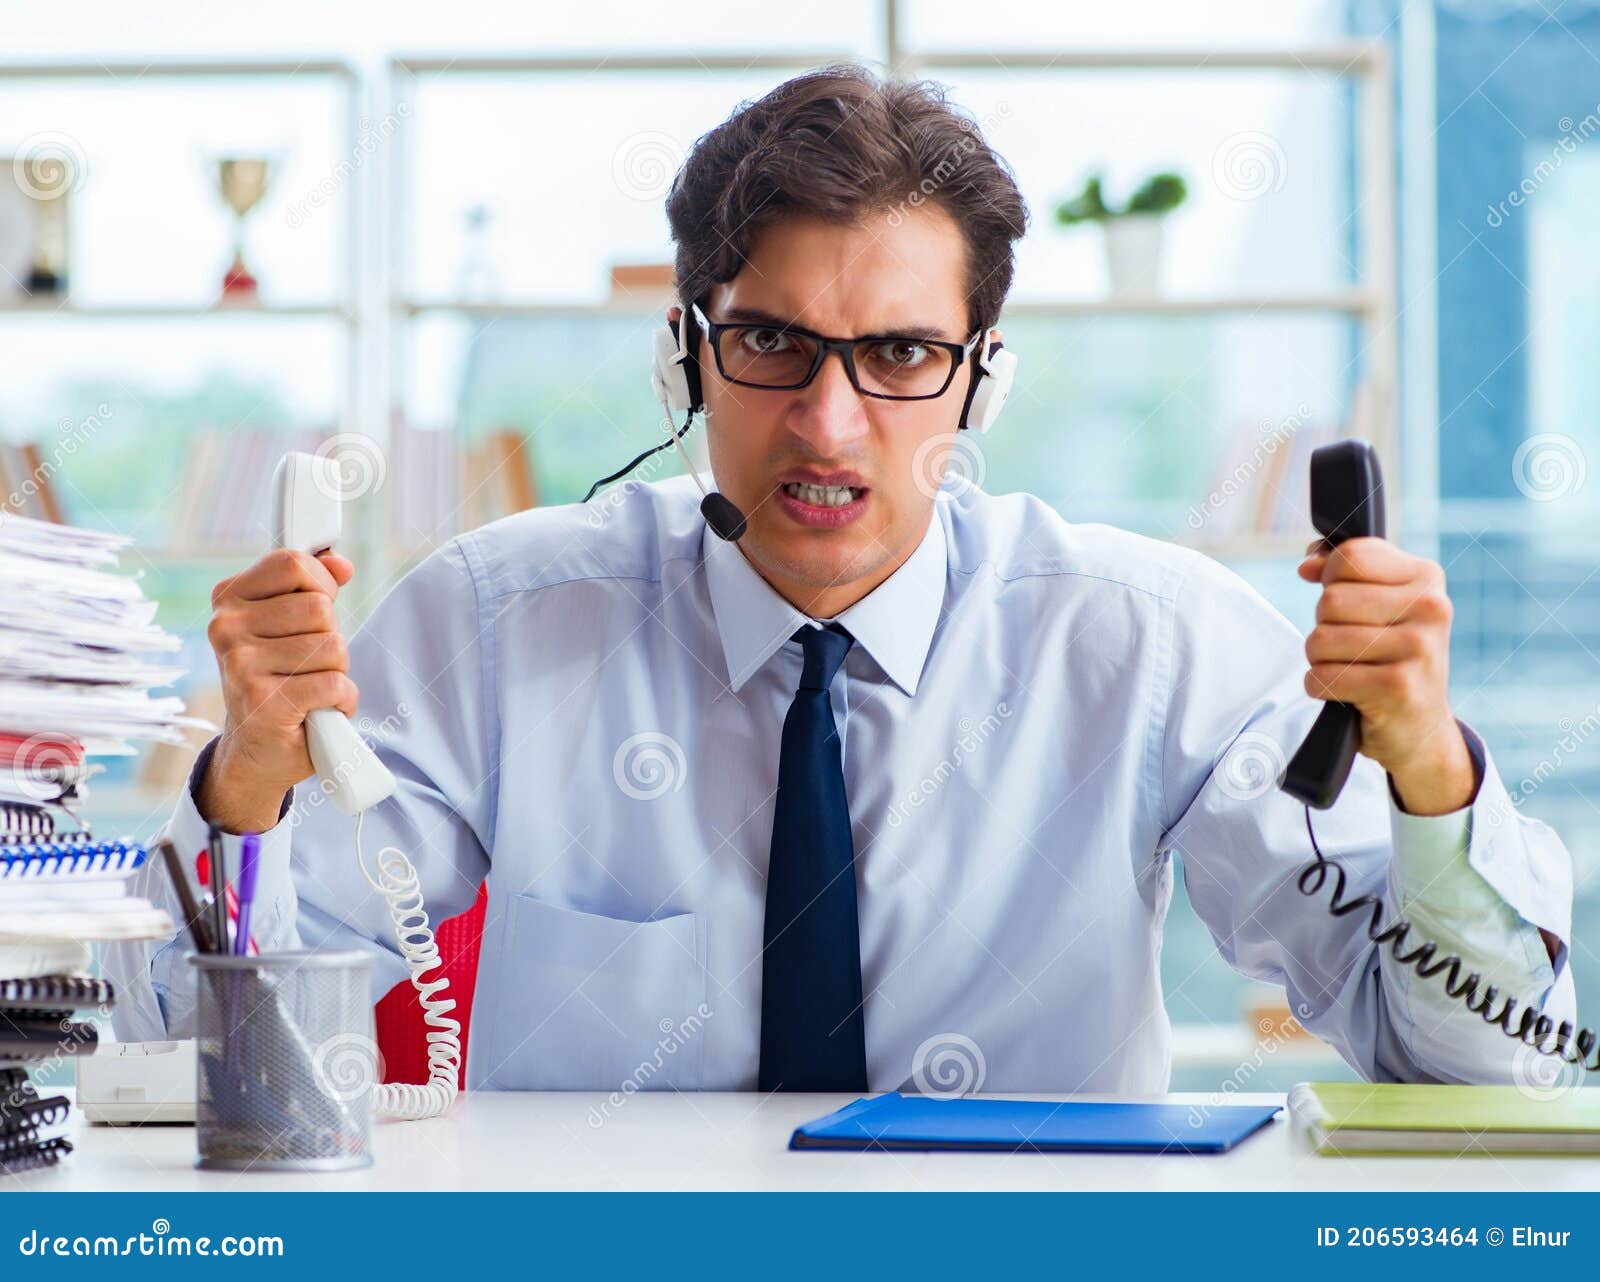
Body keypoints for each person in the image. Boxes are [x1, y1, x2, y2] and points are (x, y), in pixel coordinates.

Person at [108, 64, 1575, 1094]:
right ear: (687, 357)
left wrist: (1430, 778)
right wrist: (247, 784)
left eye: (901, 354)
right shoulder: (495, 623)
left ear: (979, 381)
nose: (829, 422)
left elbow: (1479, 1059)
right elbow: (184, 1042)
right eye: (772, 343)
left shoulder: (1150, 642)